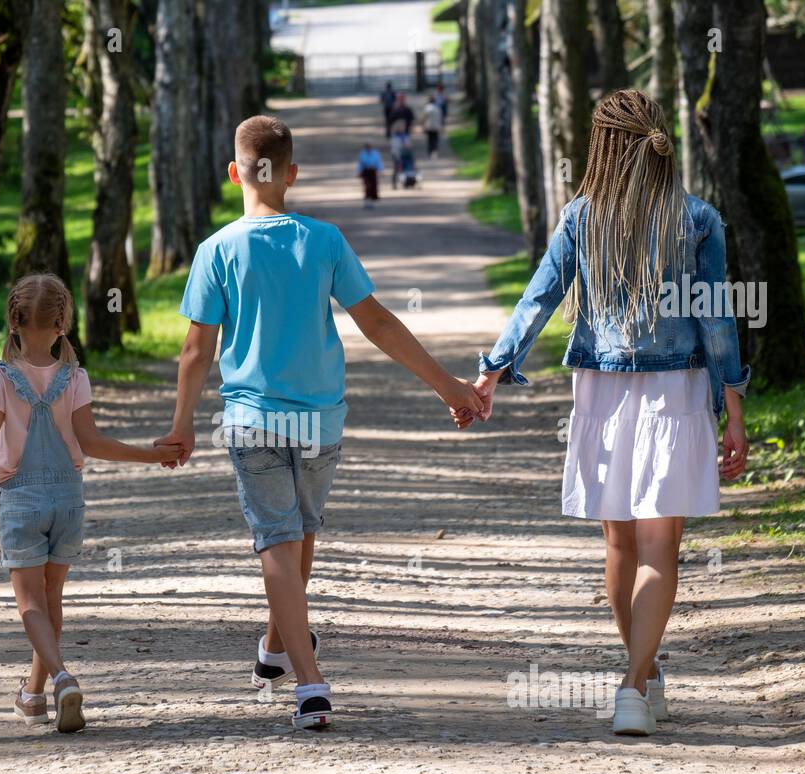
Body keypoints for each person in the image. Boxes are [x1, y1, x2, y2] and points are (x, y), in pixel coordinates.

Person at [157, 116, 485, 730]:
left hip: (253, 419)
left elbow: (196, 351)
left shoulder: (217, 250)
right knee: (296, 537)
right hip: (320, 422)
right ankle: (280, 650)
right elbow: (378, 322)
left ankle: (308, 684)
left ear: (235, 174)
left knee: (284, 540)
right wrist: (451, 386)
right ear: (292, 174)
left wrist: (181, 425)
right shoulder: (324, 240)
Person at [467, 90, 750, 737]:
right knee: (660, 548)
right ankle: (637, 681)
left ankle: (639, 679)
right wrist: (732, 408)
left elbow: (538, 299)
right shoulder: (699, 218)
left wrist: (492, 370)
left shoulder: (581, 216)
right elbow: (717, 324)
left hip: (601, 395)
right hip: (674, 393)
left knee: (620, 543)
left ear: (602, 145)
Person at [0, 274, 182, 734]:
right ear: (62, 324)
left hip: (21, 500)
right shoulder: (75, 377)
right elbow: (92, 442)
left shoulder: (0, 377)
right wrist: (150, 455)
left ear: (13, 322)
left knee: (30, 603)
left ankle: (62, 677)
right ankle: (33, 696)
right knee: (53, 599)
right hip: (68, 499)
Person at [357, 142, 384, 207]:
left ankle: (374, 196)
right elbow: (360, 163)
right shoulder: (362, 154)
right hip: (365, 170)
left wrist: (381, 170)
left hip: (373, 170)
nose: (368, 148)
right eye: (366, 147)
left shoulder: (375, 153)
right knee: (367, 184)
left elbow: (378, 162)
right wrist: (359, 171)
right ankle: (367, 195)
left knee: (374, 183)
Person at [421, 95, 443, 159]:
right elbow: (440, 118)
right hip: (436, 126)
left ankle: (430, 152)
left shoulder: (427, 108)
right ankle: (435, 151)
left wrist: (422, 125)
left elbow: (424, 117)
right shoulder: (438, 108)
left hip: (429, 126)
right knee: (435, 139)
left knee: (430, 140)